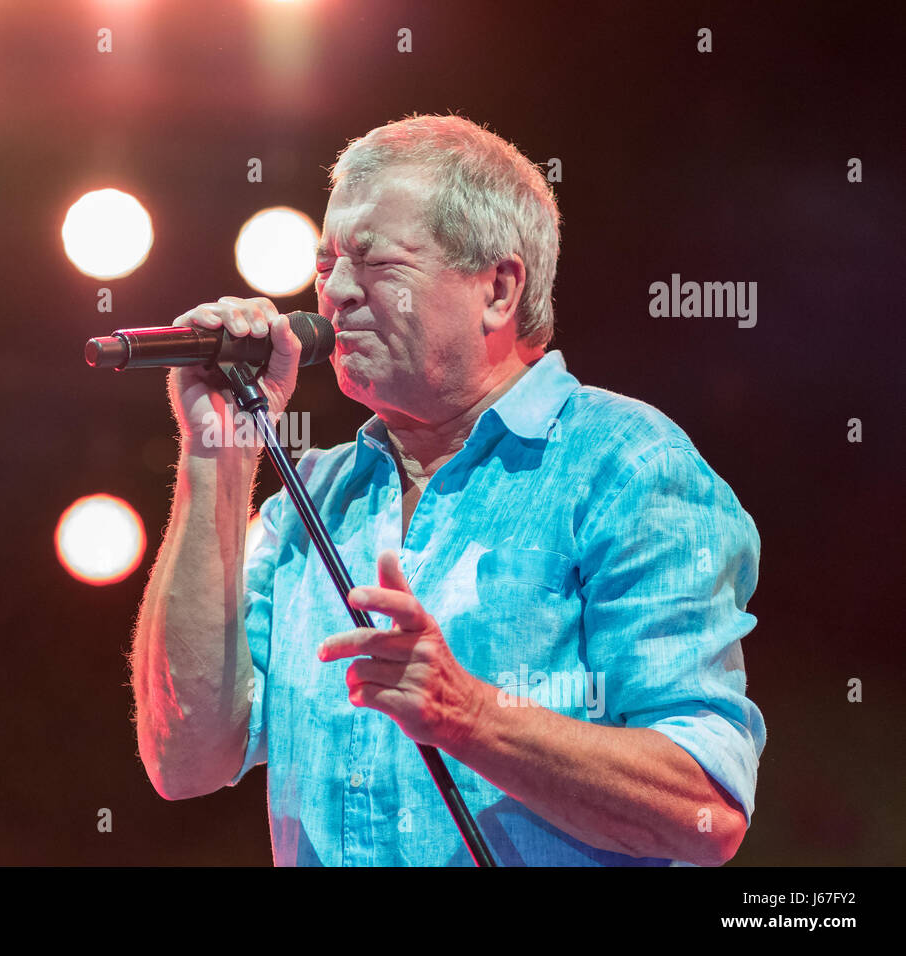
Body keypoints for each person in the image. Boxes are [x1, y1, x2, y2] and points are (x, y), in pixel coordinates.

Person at [129, 113, 765, 866]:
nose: (331, 294)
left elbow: (706, 809)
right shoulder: (312, 497)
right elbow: (185, 759)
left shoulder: (626, 466)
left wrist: (470, 717)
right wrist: (217, 452)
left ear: (497, 289)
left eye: (374, 265)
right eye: (325, 263)